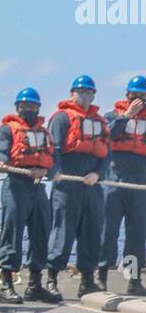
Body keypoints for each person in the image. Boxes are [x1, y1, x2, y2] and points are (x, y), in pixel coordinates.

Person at [0, 88, 60, 303]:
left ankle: (35, 284)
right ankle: (7, 286)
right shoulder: (7, 129)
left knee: (41, 232)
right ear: (17, 108)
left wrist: (47, 172)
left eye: (31, 106)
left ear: (38, 108)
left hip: (38, 187)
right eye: (24, 106)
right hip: (16, 184)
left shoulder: (44, 133)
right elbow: (1, 150)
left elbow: (52, 158)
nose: (28, 109)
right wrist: (1, 161)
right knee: (12, 232)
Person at [46, 75, 110, 298]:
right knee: (63, 231)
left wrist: (98, 174)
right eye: (80, 91)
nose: (84, 95)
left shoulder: (99, 122)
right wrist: (56, 172)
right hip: (67, 185)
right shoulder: (61, 118)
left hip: (92, 185)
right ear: (72, 93)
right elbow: (52, 149)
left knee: (92, 232)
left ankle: (87, 280)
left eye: (88, 92)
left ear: (93, 95)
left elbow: (106, 153)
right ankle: (51, 278)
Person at [99, 75, 146, 296]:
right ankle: (100, 277)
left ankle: (133, 280)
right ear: (126, 95)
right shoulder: (112, 116)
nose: (137, 99)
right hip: (113, 183)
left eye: (142, 96)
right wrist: (127, 116)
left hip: (139, 186)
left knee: (136, 233)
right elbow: (104, 135)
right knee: (108, 230)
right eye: (133, 95)